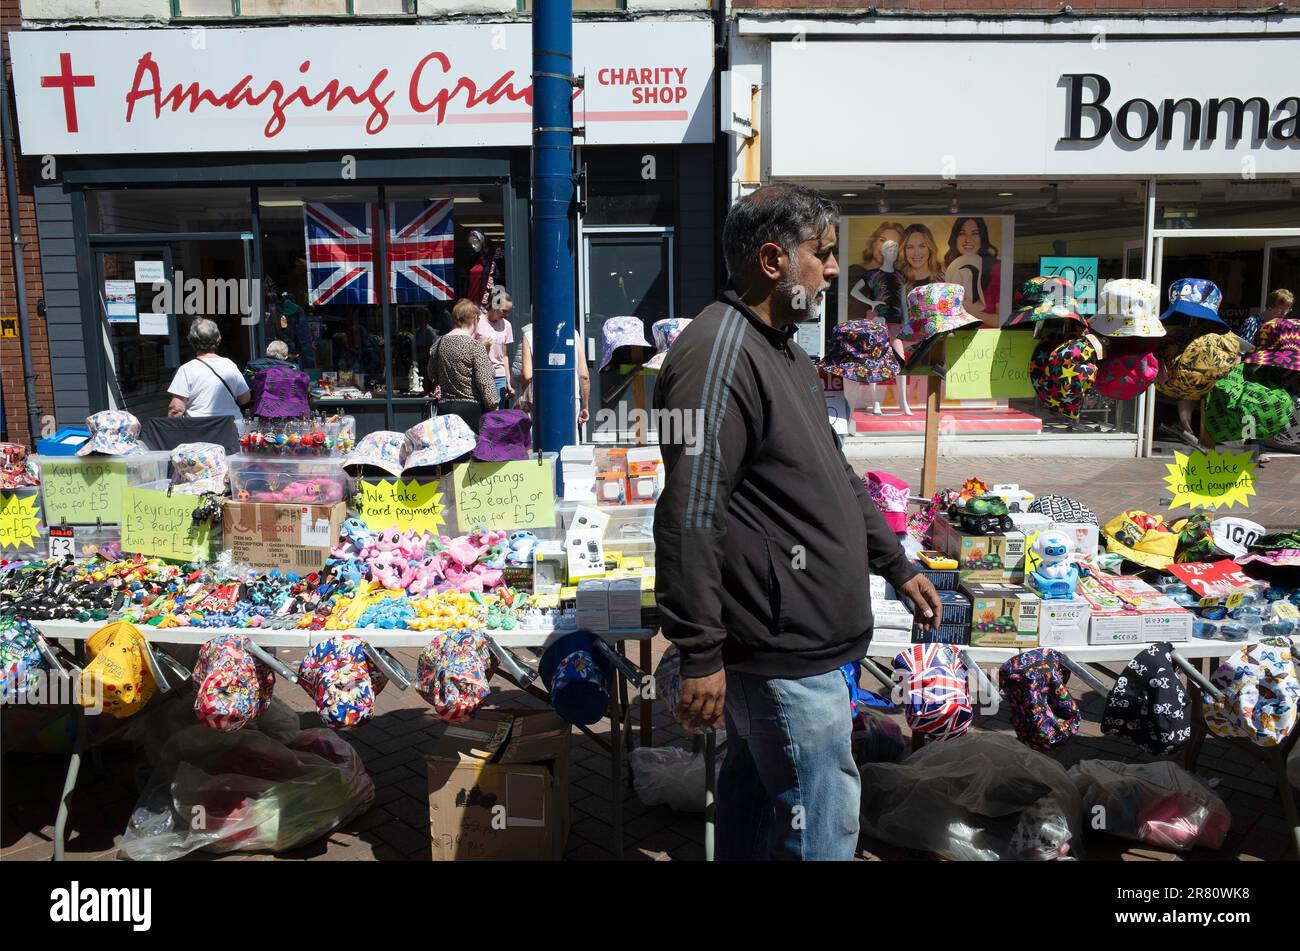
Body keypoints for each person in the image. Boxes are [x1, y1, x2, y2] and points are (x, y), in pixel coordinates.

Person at [653, 183, 943, 861]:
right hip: (780, 652)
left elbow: (835, 477)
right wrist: (698, 649)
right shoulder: (711, 357)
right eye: (825, 253)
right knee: (818, 827)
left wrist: (895, 563)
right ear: (774, 260)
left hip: (803, 642)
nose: (836, 268)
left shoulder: (781, 346)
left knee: (759, 811)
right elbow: (688, 511)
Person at [427, 298, 499, 432]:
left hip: (445, 409)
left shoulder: (439, 343)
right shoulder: (475, 346)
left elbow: (431, 374)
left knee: (451, 452)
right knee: (471, 451)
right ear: (475, 319)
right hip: (470, 410)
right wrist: (494, 405)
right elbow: (484, 382)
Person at [167, 318, 251, 420]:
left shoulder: (186, 369)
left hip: (200, 430)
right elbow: (245, 398)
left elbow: (176, 409)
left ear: (192, 341)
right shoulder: (229, 364)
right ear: (218, 339)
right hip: (231, 428)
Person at [513, 318, 591, 426]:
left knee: (540, 438)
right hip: (570, 398)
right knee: (569, 438)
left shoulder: (529, 334)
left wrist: (527, 398)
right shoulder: (573, 333)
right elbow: (584, 376)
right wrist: (584, 406)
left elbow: (527, 375)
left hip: (539, 398)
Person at [943, 217, 1001, 321]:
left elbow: (1001, 320)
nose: (968, 239)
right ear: (955, 238)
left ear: (982, 238)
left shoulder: (996, 269)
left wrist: (972, 311)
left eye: (974, 233)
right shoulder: (945, 269)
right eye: (962, 233)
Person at [475, 290, 516, 406]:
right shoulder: (477, 321)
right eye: (504, 310)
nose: (506, 314)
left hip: (499, 376)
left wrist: (508, 381)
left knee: (497, 416)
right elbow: (470, 349)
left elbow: (505, 356)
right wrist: (482, 346)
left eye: (508, 311)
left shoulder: (507, 325)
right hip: (481, 374)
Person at [898, 222, 944, 292]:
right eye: (910, 247)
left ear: (930, 248)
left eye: (922, 246)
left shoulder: (944, 277)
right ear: (904, 250)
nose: (916, 253)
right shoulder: (898, 280)